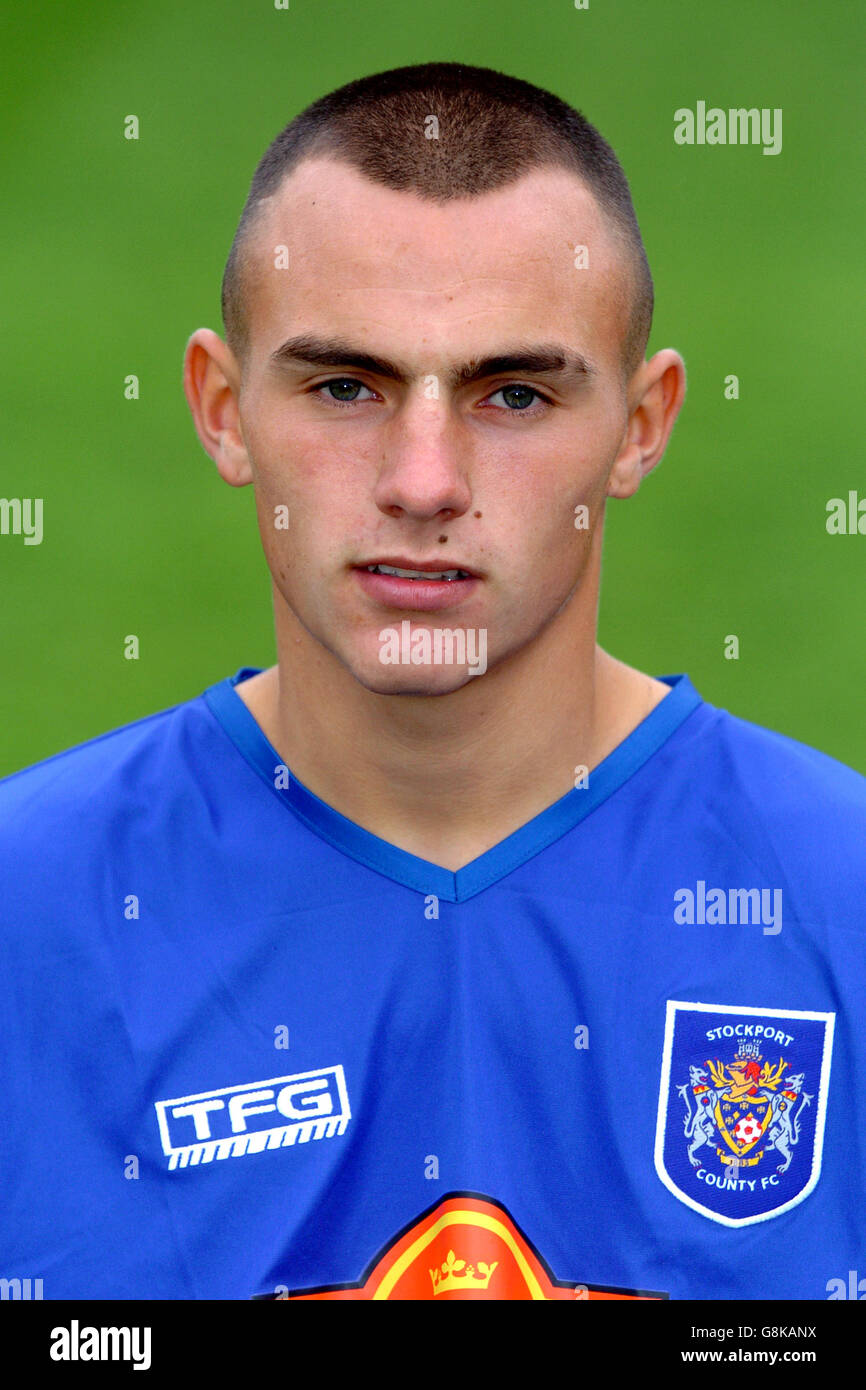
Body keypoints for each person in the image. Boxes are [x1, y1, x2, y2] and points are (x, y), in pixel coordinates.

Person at [1, 62, 863, 1301]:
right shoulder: (23, 924)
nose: (421, 480)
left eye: (511, 393)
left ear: (640, 425)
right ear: (222, 406)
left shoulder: (841, 907)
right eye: (344, 387)